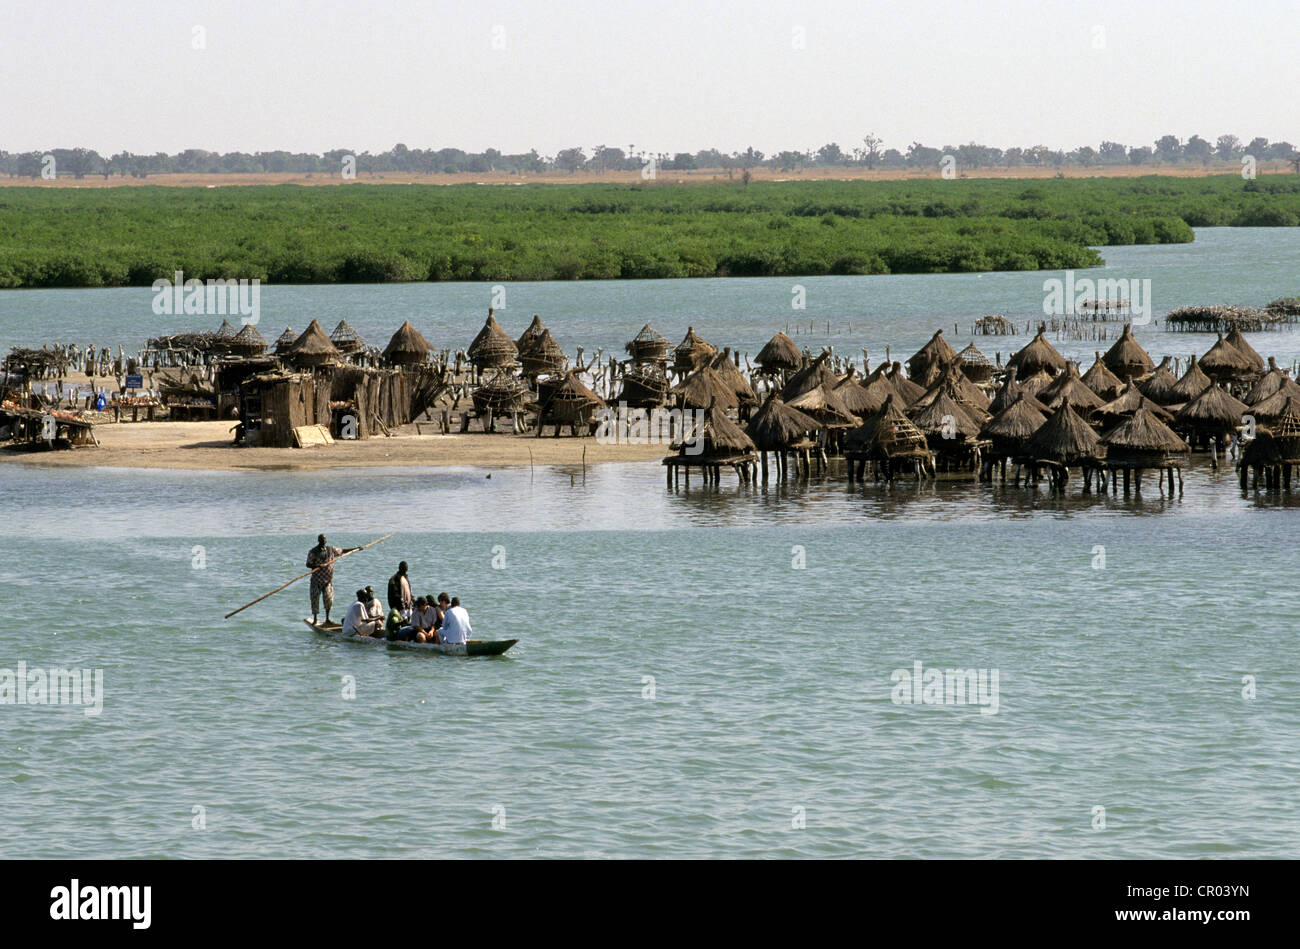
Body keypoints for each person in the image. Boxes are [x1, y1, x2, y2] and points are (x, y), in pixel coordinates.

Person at [307, 534, 361, 624]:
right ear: (318, 541)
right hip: (316, 581)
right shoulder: (313, 552)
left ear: (326, 541)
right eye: (321, 540)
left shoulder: (330, 550)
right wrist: (318, 566)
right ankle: (315, 619)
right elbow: (308, 564)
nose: (323, 541)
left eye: (324, 539)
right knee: (315, 600)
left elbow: (343, 551)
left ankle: (327, 619)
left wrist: (356, 549)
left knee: (328, 600)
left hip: (327, 581)